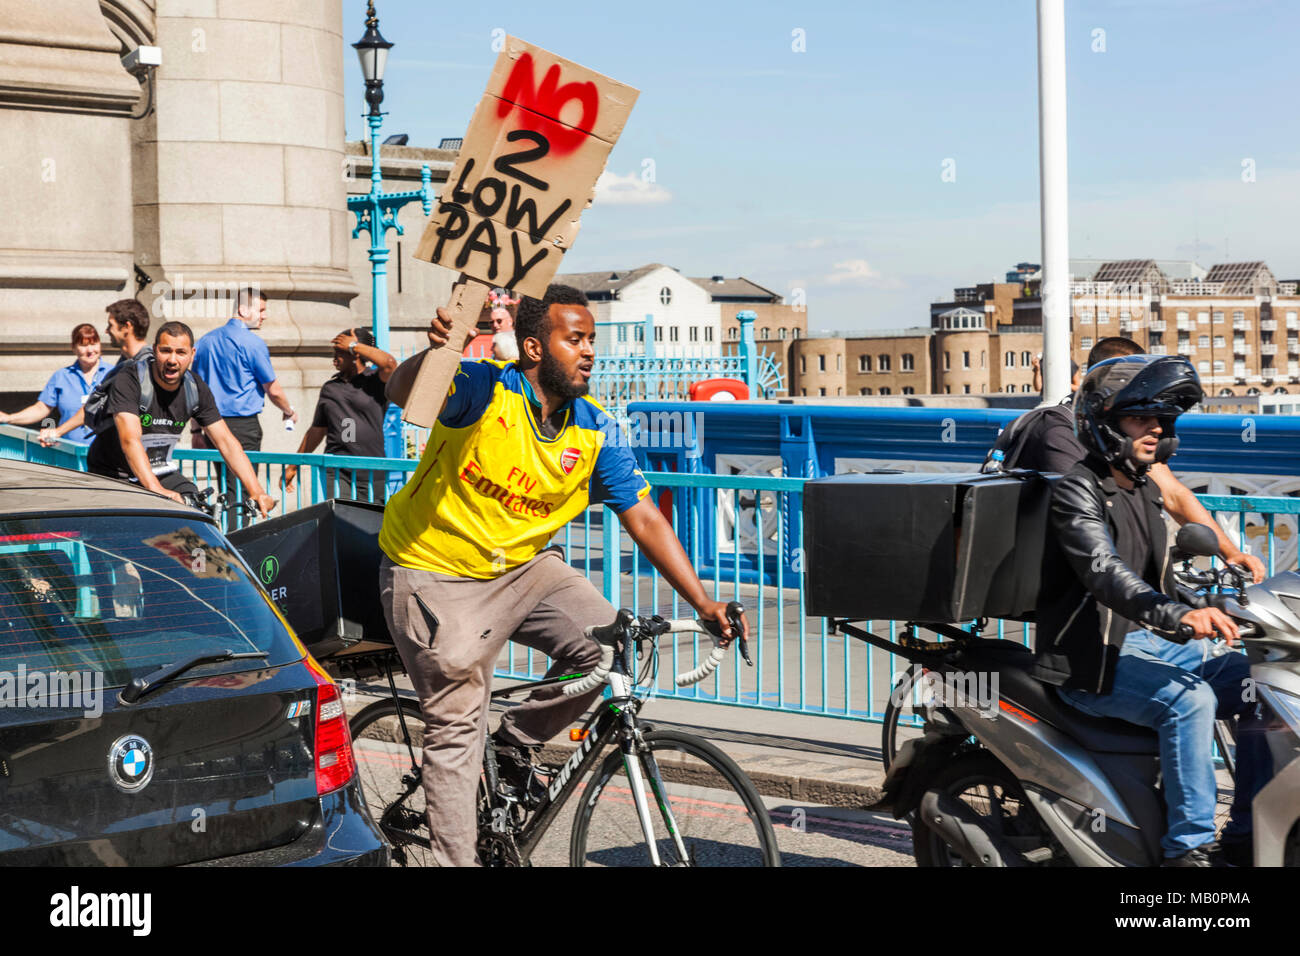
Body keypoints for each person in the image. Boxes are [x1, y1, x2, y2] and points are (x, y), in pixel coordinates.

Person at [379, 282, 749, 866]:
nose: (590, 351)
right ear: (532, 348)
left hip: (523, 569)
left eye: (592, 340)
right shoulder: (483, 390)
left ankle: (516, 742)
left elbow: (646, 518)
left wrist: (705, 604)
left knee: (609, 646)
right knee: (455, 730)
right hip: (435, 573)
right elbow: (405, 392)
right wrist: (441, 351)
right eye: (574, 339)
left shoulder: (592, 429)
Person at [1032, 355, 1266, 866]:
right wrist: (1178, 616)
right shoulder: (1078, 490)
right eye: (1141, 419)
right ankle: (1188, 850)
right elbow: (1105, 573)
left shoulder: (1142, 487)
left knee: (1262, 681)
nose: (1156, 429)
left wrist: (1214, 604)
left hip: (1152, 644)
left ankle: (1249, 832)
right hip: (1091, 659)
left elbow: (1164, 573)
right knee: (1192, 701)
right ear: (1104, 424)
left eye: (1162, 421)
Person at [1009, 336, 1265, 581]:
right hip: (1066, 581)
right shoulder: (1060, 431)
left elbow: (1174, 494)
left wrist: (1231, 553)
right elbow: (1083, 521)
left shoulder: (1124, 433)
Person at [86, 320, 275, 516]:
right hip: (113, 473)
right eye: (165, 351)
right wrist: (156, 489)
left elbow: (226, 441)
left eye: (181, 352)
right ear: (155, 350)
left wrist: (256, 491)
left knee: (193, 509)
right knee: (128, 531)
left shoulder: (195, 387)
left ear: (192, 354)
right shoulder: (131, 379)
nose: (172, 360)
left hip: (158, 469)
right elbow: (130, 440)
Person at [282, 327, 396, 502]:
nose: (334, 359)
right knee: (339, 522)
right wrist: (294, 465)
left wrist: (353, 345)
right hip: (337, 471)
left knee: (370, 525)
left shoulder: (375, 381)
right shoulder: (330, 388)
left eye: (340, 352)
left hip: (371, 471)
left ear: (355, 353)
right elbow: (317, 431)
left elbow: (390, 363)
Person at [191, 286, 298, 452]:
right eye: (261, 310)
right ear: (242, 310)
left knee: (224, 478)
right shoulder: (253, 343)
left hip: (212, 425)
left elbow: (195, 391)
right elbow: (274, 391)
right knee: (245, 477)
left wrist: (196, 431)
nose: (265, 316)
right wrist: (289, 411)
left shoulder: (204, 342)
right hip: (243, 427)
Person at [38, 299, 153, 446]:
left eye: (110, 325)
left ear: (126, 327)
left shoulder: (148, 365)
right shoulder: (122, 366)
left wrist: (58, 431)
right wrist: (58, 432)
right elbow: (93, 406)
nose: (106, 330)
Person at [0, 323, 107, 442]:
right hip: (70, 452)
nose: (90, 350)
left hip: (108, 454)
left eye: (94, 344)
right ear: (73, 348)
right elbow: (41, 409)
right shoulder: (61, 376)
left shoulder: (113, 373)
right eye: (83, 345)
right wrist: (9, 418)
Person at [488, 287, 520, 361]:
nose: (495, 325)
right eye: (491, 322)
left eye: (499, 321)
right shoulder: (497, 339)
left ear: (510, 321)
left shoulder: (518, 340)